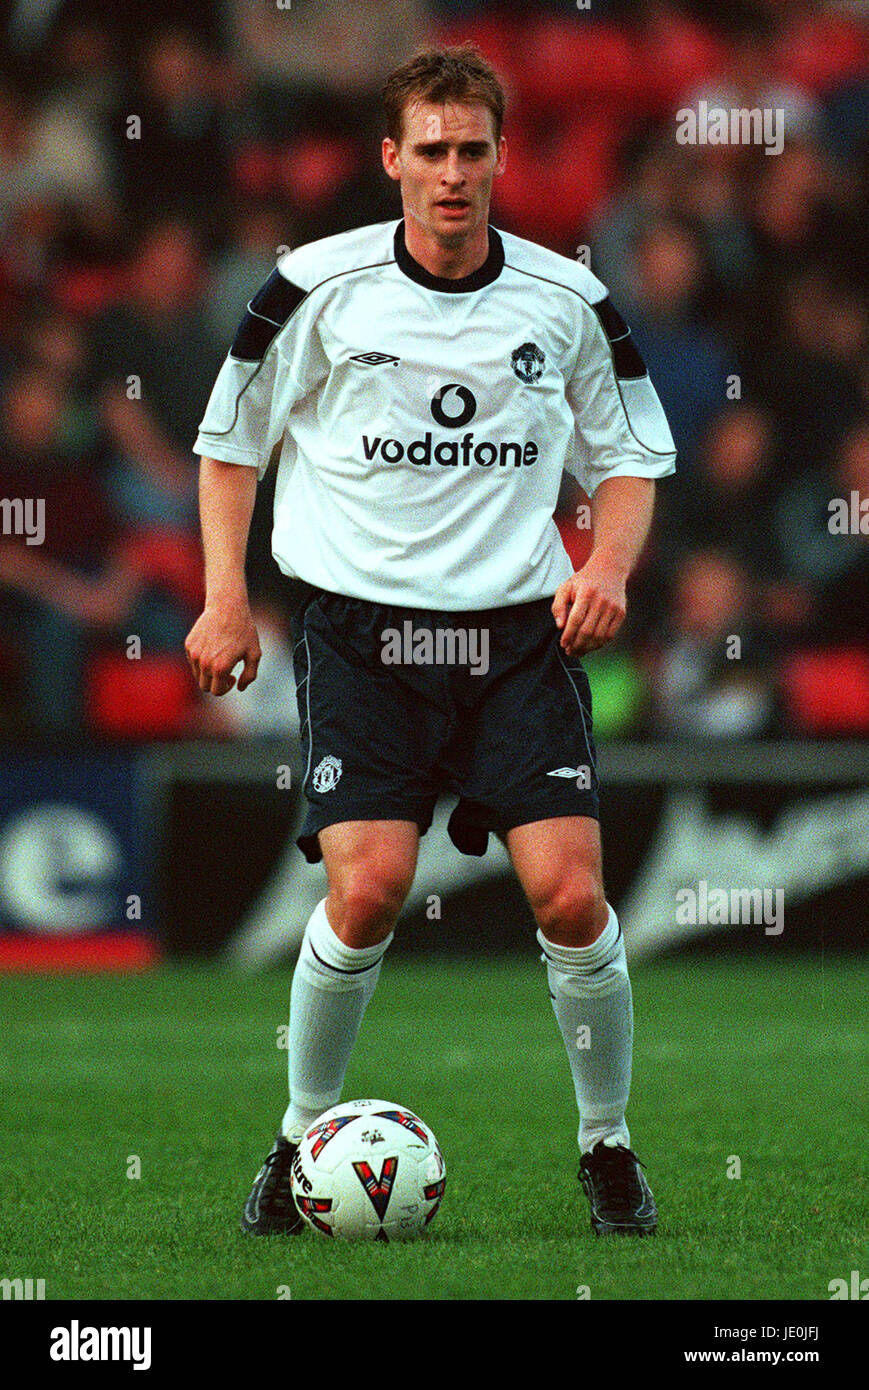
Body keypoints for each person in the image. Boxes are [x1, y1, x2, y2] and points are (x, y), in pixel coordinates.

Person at [185, 46, 676, 1239]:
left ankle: (605, 1147)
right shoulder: (311, 286)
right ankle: (301, 1136)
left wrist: (605, 567)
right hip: (360, 636)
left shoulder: (566, 300)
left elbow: (628, 458)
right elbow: (228, 443)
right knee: (369, 890)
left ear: (503, 158)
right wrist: (223, 597)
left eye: (473, 151)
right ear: (391, 158)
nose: (452, 174)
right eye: (432, 150)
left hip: (516, 638)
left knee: (567, 898)